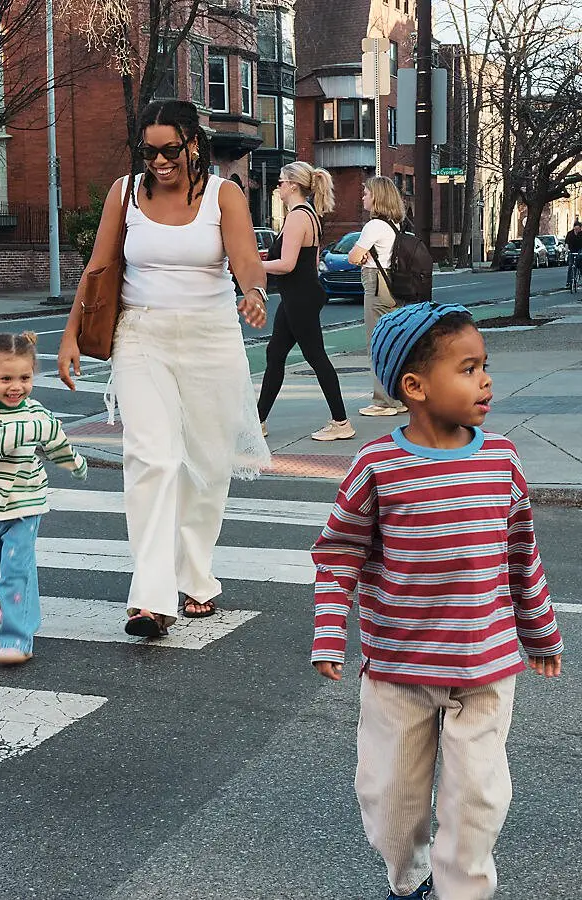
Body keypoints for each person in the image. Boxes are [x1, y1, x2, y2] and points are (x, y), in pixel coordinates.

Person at [311, 302, 563, 900]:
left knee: (476, 804)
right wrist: (328, 632)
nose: (486, 380)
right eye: (469, 368)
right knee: (391, 805)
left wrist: (541, 631)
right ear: (415, 386)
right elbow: (338, 552)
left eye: (485, 366)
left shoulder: (501, 461)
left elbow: (521, 552)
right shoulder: (378, 466)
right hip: (399, 670)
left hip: (485, 667)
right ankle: (408, 880)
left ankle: (461, 891)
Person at [58, 99, 270, 638]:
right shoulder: (125, 193)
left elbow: (245, 258)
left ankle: (195, 573)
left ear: (193, 143)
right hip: (141, 335)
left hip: (211, 338)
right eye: (148, 151)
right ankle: (150, 596)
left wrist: (253, 292)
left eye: (169, 150)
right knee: (151, 457)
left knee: (207, 463)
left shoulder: (224, 194)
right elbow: (99, 266)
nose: (158, 161)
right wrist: (69, 337)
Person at [0, 327, 87, 666]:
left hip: (26, 503)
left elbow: (57, 443)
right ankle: (6, 598)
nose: (16, 387)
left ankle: (17, 639)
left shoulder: (38, 412)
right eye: (6, 378)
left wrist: (76, 464)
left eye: (25, 377)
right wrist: (32, 429)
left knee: (16, 570)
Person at [257, 161, 355, 442]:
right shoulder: (307, 214)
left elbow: (287, 264)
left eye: (280, 182)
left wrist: (253, 262)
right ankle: (258, 421)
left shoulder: (298, 217)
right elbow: (309, 262)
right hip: (298, 296)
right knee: (275, 354)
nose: (278, 187)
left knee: (316, 357)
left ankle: (341, 422)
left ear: (293, 186)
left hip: (299, 297)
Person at [348, 175, 408, 418]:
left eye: (366, 193)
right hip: (393, 285)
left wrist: (359, 256)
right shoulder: (394, 224)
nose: (363, 197)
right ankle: (398, 398)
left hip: (376, 284)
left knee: (377, 343)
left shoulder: (373, 226)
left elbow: (353, 257)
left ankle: (384, 401)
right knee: (394, 343)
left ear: (377, 197)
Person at [564, 220, 582, 287]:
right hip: (572, 250)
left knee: (580, 262)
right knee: (570, 265)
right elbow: (566, 243)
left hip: (580, 249)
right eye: (576, 229)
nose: (577, 230)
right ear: (574, 228)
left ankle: (579, 272)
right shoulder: (570, 234)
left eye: (578, 229)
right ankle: (568, 282)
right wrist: (567, 250)